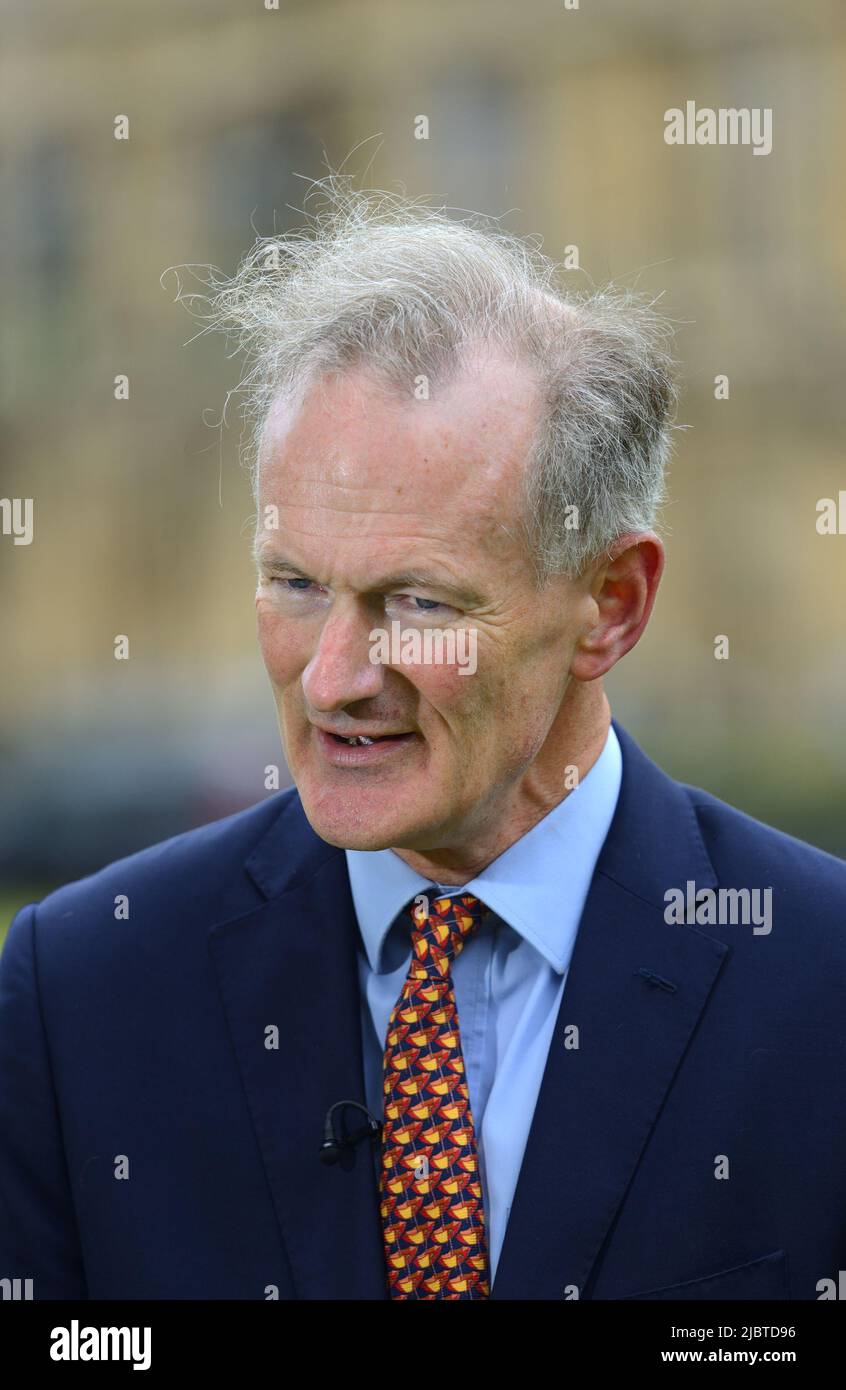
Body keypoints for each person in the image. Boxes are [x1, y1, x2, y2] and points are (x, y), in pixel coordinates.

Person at [1, 185, 844, 1301]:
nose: (335, 678)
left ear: (612, 603)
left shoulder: (819, 986)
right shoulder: (79, 993)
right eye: (295, 584)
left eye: (421, 604)